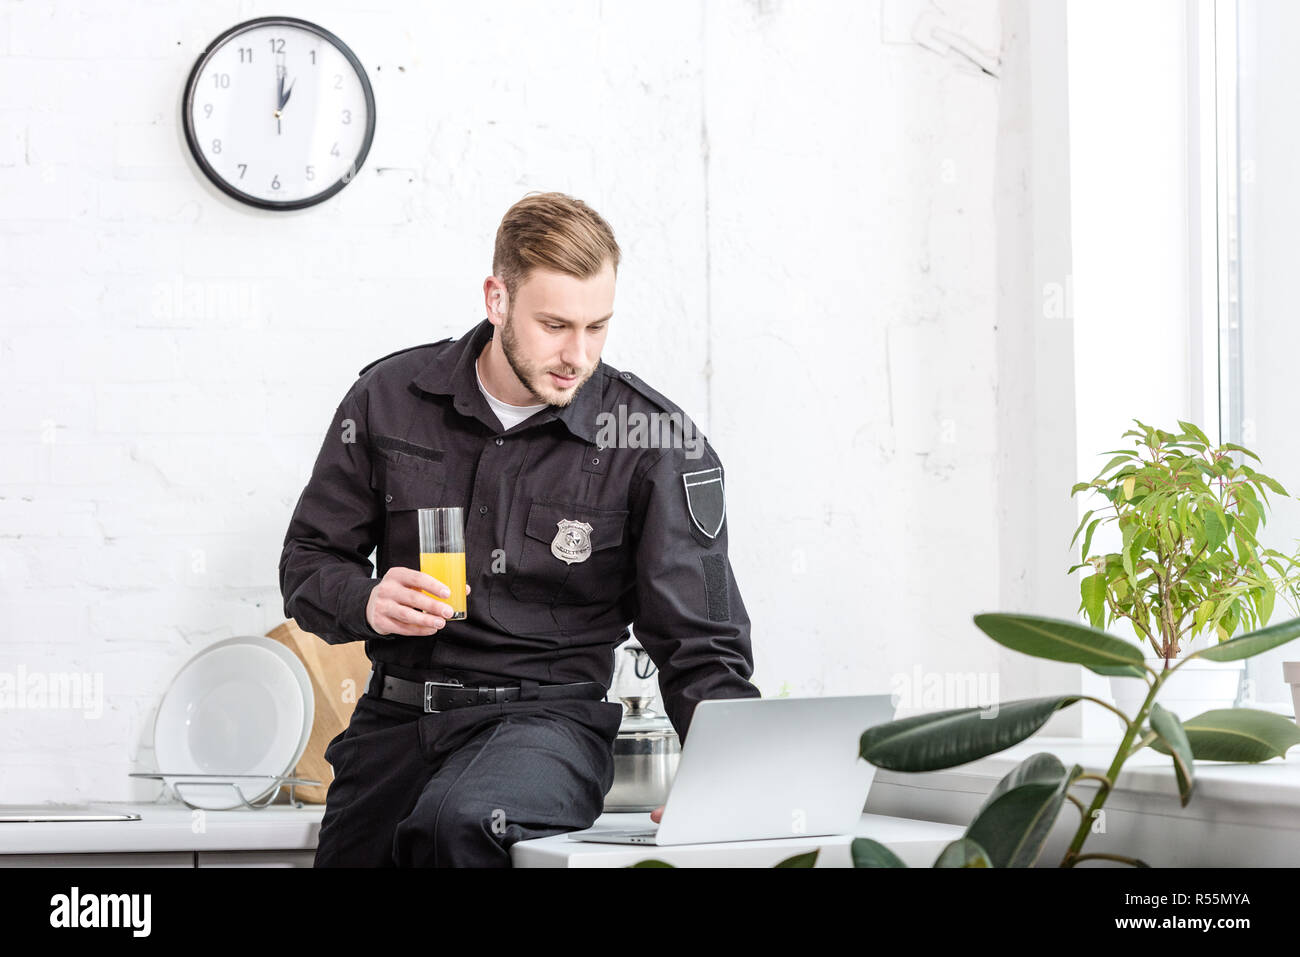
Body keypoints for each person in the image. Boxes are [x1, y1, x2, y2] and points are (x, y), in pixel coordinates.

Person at [278, 190, 760, 867]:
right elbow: (306, 560)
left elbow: (702, 648)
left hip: (546, 727)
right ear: (496, 298)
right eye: (555, 324)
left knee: (461, 823)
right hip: (394, 725)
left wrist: (728, 785)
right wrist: (366, 600)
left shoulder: (655, 442)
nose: (578, 353)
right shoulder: (386, 398)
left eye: (597, 327)